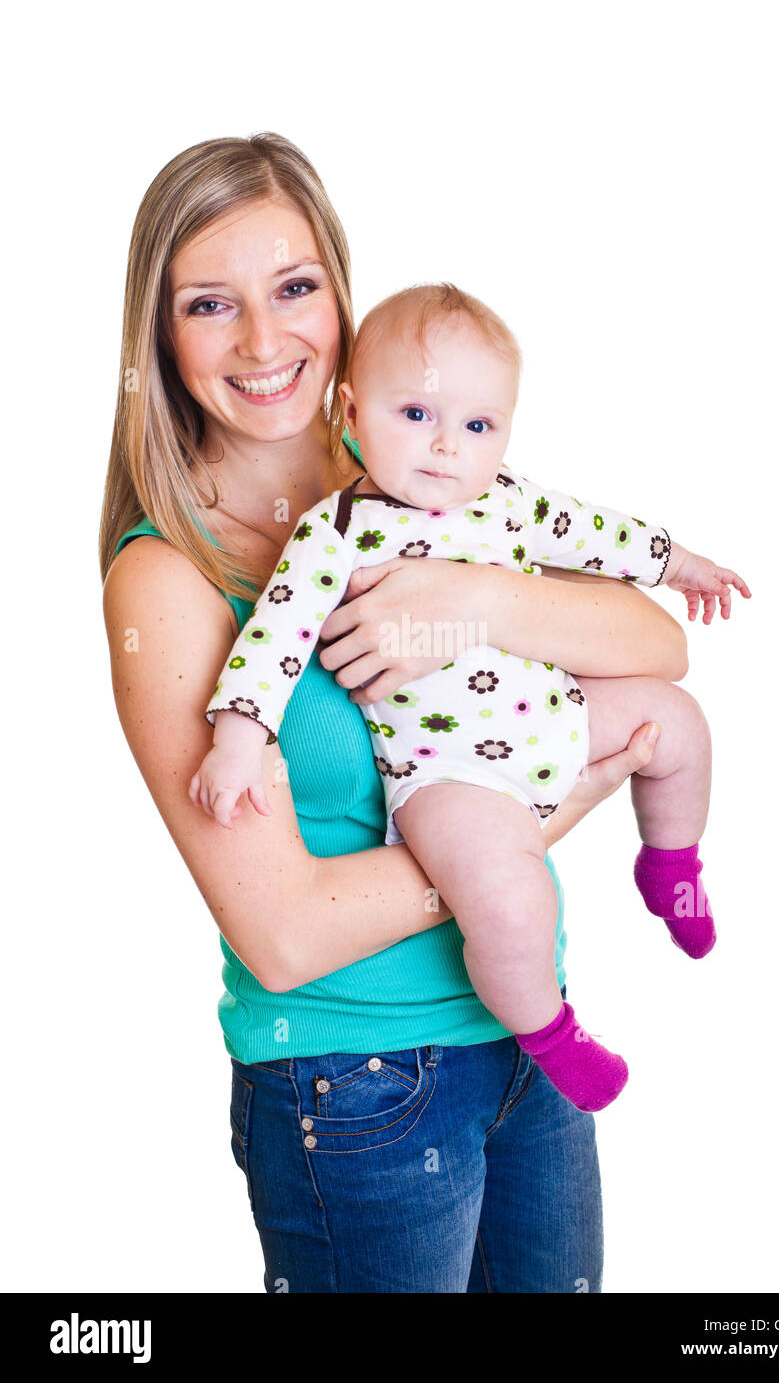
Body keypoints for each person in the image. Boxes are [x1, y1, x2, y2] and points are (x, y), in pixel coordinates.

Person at [101, 132, 690, 1293]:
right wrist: (526, 829)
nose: (264, 343)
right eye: (211, 304)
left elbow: (656, 648)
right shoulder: (167, 579)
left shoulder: (419, 461)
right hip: (352, 1082)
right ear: (161, 340)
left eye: (295, 289)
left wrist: (472, 602)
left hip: (524, 1037)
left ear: (341, 299)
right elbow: (286, 931)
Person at [190, 281, 749, 1115]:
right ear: (352, 408)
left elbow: (597, 534)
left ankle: (671, 861)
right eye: (416, 414)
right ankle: (551, 1031)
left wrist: (679, 563)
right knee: (510, 892)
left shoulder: (510, 502)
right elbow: (272, 636)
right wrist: (238, 737)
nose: (447, 446)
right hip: (449, 774)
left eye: (478, 426)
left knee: (678, 724)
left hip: (553, 717)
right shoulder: (336, 532)